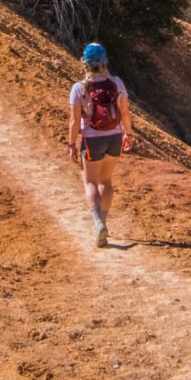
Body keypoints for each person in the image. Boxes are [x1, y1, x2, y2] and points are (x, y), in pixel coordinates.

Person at [67, 42, 133, 247]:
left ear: (84, 63)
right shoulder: (117, 83)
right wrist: (128, 134)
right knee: (106, 180)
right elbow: (124, 113)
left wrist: (71, 144)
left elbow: (74, 120)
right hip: (114, 137)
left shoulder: (79, 88)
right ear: (105, 62)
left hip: (92, 139)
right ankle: (104, 221)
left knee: (90, 182)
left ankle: (97, 224)